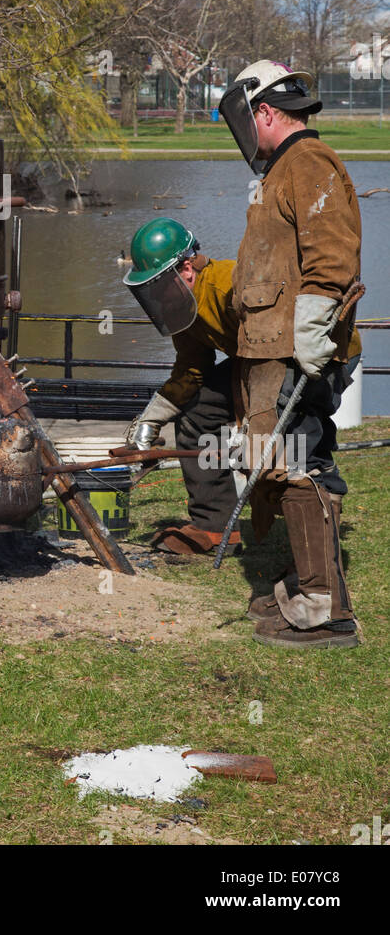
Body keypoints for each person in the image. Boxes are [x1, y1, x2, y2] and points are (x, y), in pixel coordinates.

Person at [219, 60, 362, 649]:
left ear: (265, 113)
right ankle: (311, 594)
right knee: (287, 466)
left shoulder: (308, 161)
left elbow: (332, 252)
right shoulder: (284, 168)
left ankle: (323, 612)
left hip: (289, 349)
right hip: (269, 346)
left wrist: (314, 326)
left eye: (248, 118)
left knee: (301, 468)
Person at [122, 218, 243, 556]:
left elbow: (274, 349)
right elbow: (191, 370)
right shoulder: (185, 308)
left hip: (308, 359)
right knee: (197, 410)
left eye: (158, 285)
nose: (157, 296)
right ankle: (216, 528)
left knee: (293, 439)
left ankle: (309, 545)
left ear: (186, 268)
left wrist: (250, 416)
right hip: (253, 363)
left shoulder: (228, 285)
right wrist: (151, 420)